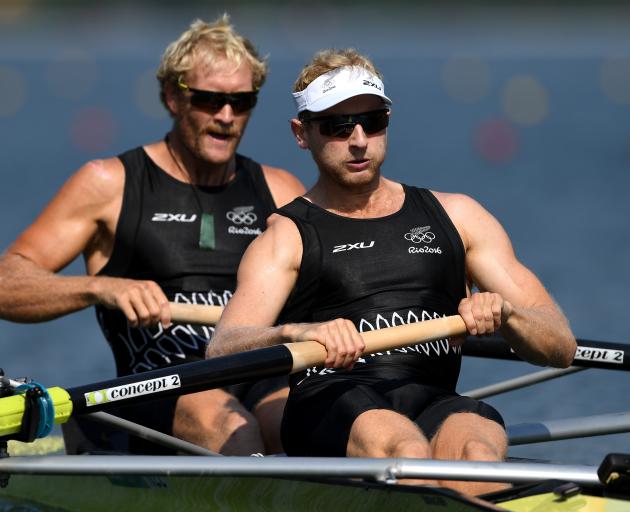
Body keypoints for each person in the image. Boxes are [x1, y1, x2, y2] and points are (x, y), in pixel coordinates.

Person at [207, 49, 577, 494]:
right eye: (338, 126)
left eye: (372, 120)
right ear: (301, 134)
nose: (359, 139)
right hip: (330, 401)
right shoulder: (286, 235)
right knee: (406, 451)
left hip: (430, 396)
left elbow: (561, 345)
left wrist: (508, 316)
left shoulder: (458, 216)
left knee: (479, 454)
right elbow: (224, 349)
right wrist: (295, 333)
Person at [0, 15, 305, 455]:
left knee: (299, 423)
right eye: (208, 99)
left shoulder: (279, 191)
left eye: (241, 102)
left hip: (258, 374)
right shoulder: (108, 185)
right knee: (229, 427)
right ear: (172, 97)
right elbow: (8, 283)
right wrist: (99, 288)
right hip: (157, 386)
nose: (226, 116)